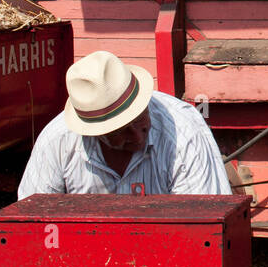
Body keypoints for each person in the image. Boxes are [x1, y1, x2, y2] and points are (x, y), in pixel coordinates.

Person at [18, 50, 232, 197]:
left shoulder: (184, 132)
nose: (138, 136)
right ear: (94, 132)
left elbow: (204, 225)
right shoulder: (57, 141)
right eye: (119, 131)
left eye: (139, 118)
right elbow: (31, 223)